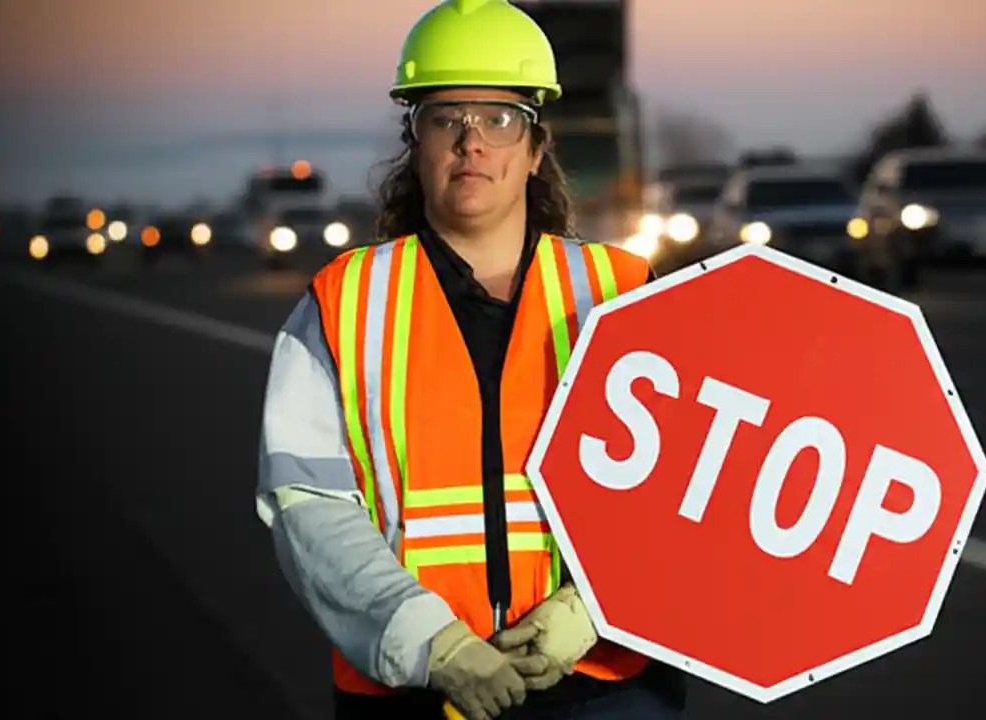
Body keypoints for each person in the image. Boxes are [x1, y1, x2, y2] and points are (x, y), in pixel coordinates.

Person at [254, 1, 686, 718]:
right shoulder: (343, 303)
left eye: (499, 119)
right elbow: (309, 508)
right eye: (445, 118)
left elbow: (692, 490)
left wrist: (592, 609)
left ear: (536, 147)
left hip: (607, 676)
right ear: (415, 140)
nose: (471, 142)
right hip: (413, 685)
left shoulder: (627, 291)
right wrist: (437, 645)